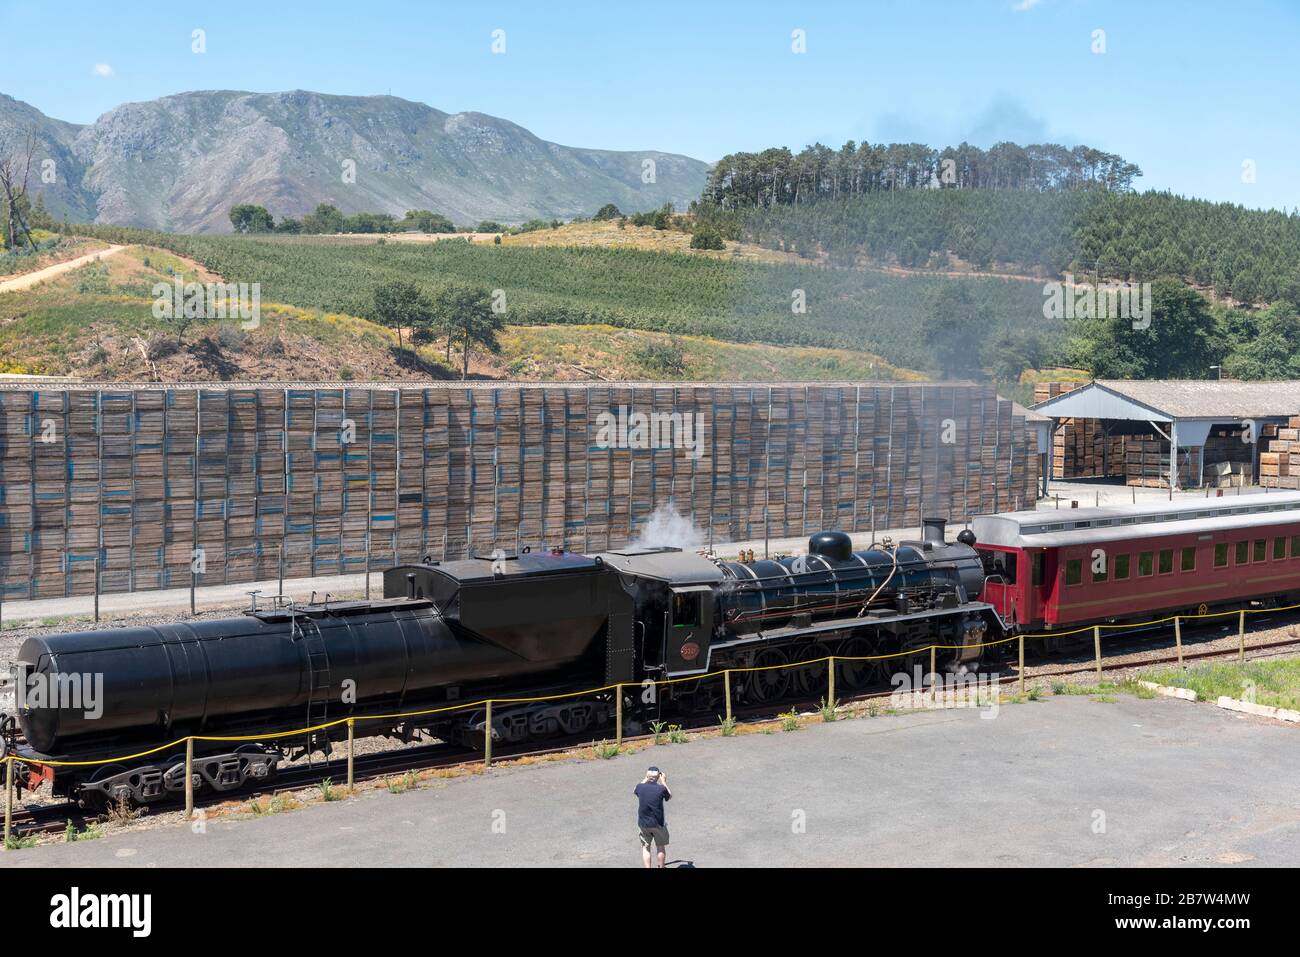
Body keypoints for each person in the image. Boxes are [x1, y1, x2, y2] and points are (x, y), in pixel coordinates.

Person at [634, 766, 672, 868]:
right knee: (660, 847)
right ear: (658, 777)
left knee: (646, 848)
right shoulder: (661, 789)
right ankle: (661, 867)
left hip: (643, 823)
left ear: (647, 776)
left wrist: (646, 778)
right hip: (658, 823)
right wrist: (663, 781)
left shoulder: (640, 787)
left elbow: (635, 789)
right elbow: (669, 795)